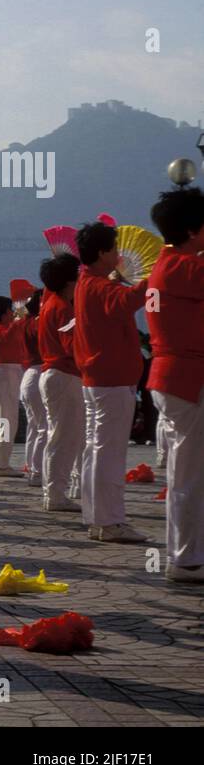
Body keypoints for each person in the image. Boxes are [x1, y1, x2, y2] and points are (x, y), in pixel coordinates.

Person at [73, 220, 149, 543]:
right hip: (113, 380)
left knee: (96, 449)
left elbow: (116, 298)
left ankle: (97, 517)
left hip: (96, 378)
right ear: (103, 253)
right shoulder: (102, 287)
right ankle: (110, 521)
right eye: (114, 249)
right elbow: (126, 302)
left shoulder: (86, 283)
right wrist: (150, 282)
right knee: (110, 453)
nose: (118, 254)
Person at [146, 186, 204, 581]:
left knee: (186, 472)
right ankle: (185, 557)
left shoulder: (165, 267)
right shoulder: (184, 269)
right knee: (189, 475)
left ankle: (187, 553)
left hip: (172, 376)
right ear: (194, 230)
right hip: (186, 379)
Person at [37, 254, 83, 512]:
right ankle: (55, 493)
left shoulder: (49, 303)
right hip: (64, 375)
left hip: (54, 375)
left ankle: (53, 491)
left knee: (58, 436)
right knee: (64, 438)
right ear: (69, 281)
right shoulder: (63, 309)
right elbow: (72, 345)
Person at [0, 294, 29, 477]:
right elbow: (13, 331)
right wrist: (22, 315)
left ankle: (1, 462)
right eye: (10, 311)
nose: (12, 313)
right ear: (3, 314)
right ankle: (2, 464)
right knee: (6, 422)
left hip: (3, 375)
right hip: (4, 375)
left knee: (6, 421)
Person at [19, 290, 48, 487]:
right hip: (34, 374)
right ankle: (35, 471)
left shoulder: (25, 322)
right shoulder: (36, 322)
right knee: (43, 428)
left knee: (34, 427)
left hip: (26, 376)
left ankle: (30, 466)